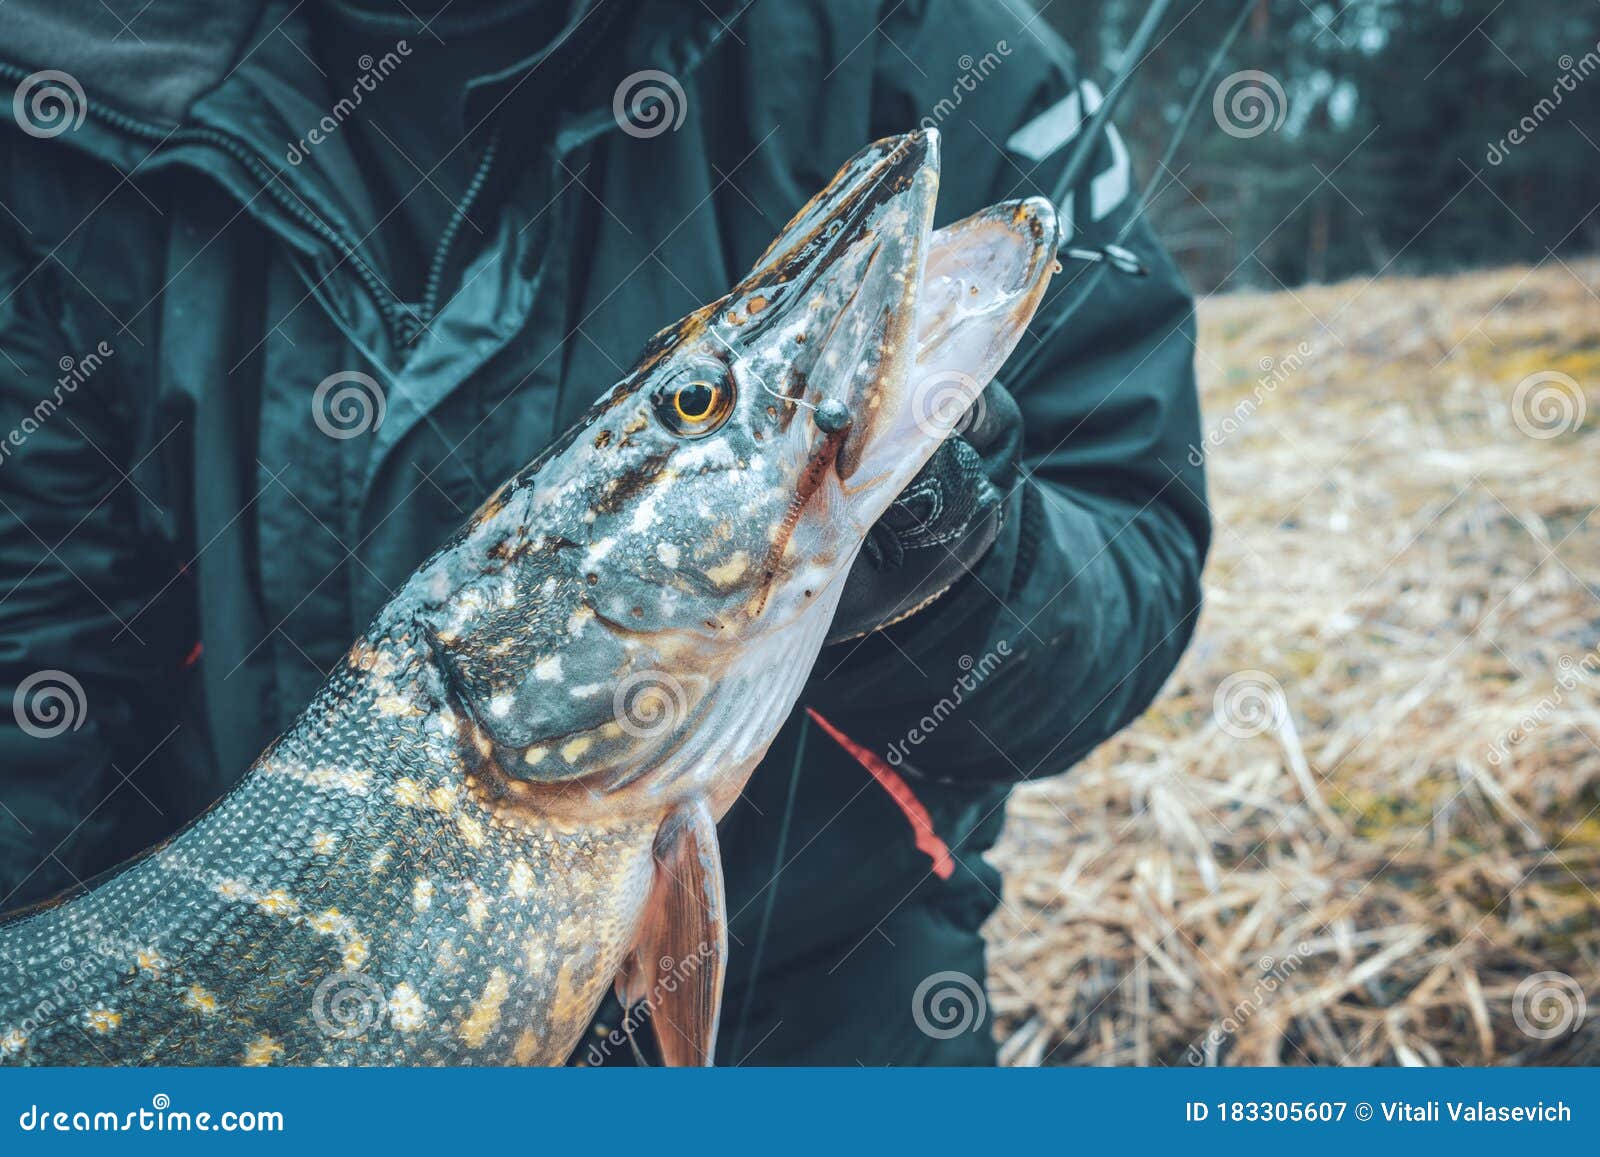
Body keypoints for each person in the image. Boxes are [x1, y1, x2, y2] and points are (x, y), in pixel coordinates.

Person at [0, 0, 1208, 1064]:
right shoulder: (67, 100)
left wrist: (955, 572)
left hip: (821, 1025)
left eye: (697, 404)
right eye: (699, 405)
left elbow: (1131, 570)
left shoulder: (924, 44)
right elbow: (29, 665)